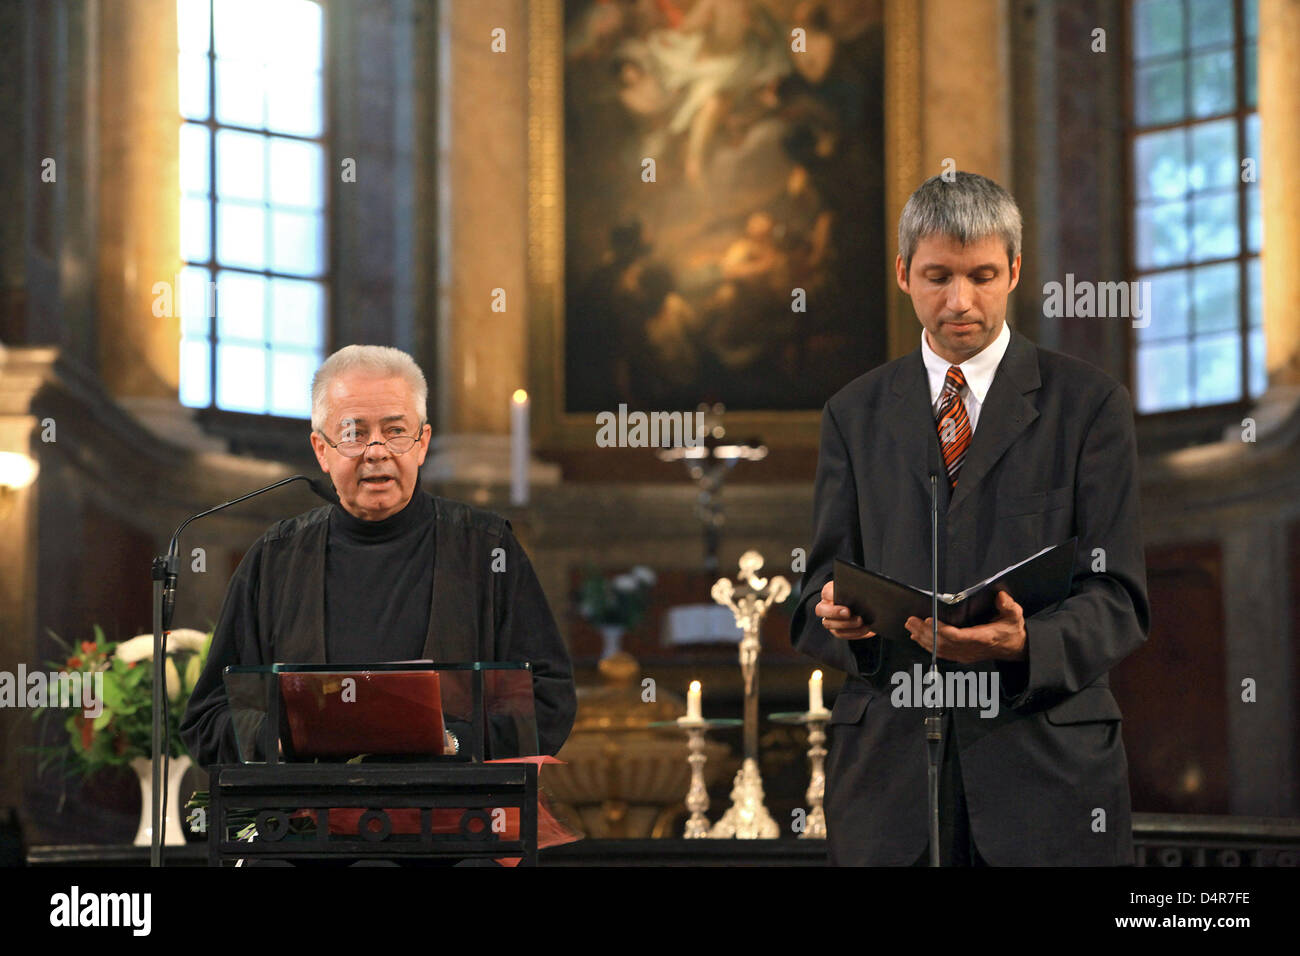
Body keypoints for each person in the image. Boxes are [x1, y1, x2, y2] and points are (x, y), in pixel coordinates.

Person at [790, 172, 1149, 866]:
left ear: (1014, 270)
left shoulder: (1090, 406)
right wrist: (838, 615)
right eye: (938, 276)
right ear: (903, 274)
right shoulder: (852, 414)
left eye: (982, 275)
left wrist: (1023, 644)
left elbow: (1121, 601)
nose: (960, 301)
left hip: (1045, 773)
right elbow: (812, 597)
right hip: (891, 784)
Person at [181, 345, 577, 766]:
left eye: (395, 431)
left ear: (422, 443)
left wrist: (452, 741)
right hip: (308, 823)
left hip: (453, 823)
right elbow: (207, 722)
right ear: (321, 450)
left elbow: (548, 700)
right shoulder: (275, 560)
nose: (376, 451)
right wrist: (285, 738)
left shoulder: (487, 549)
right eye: (353, 433)